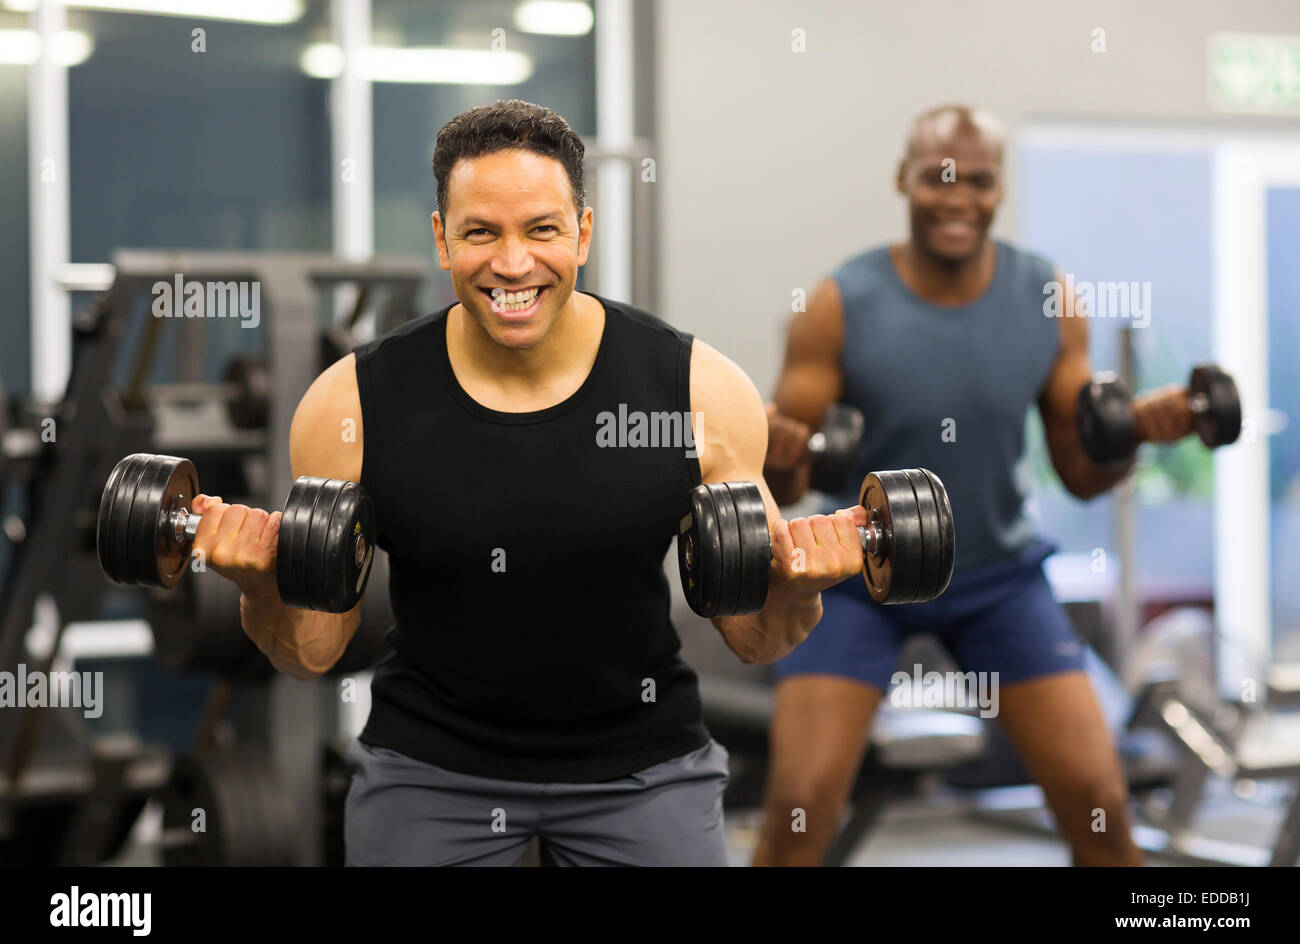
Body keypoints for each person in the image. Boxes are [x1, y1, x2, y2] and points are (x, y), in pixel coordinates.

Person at [186, 99, 872, 866]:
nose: (513, 264)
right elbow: (312, 651)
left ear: (582, 230)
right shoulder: (350, 407)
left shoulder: (697, 393)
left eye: (541, 230)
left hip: (642, 768)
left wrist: (800, 584)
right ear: (443, 240)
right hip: (430, 770)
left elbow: (755, 637)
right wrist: (259, 587)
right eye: (482, 232)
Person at [755, 104, 1194, 867]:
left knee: (1098, 799)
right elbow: (785, 485)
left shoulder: (1047, 299)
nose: (958, 197)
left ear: (999, 188)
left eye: (979, 180)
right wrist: (784, 449)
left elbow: (1083, 476)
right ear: (905, 180)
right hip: (860, 579)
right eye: (938, 177)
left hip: (997, 576)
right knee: (799, 804)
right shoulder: (838, 303)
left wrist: (1134, 441)